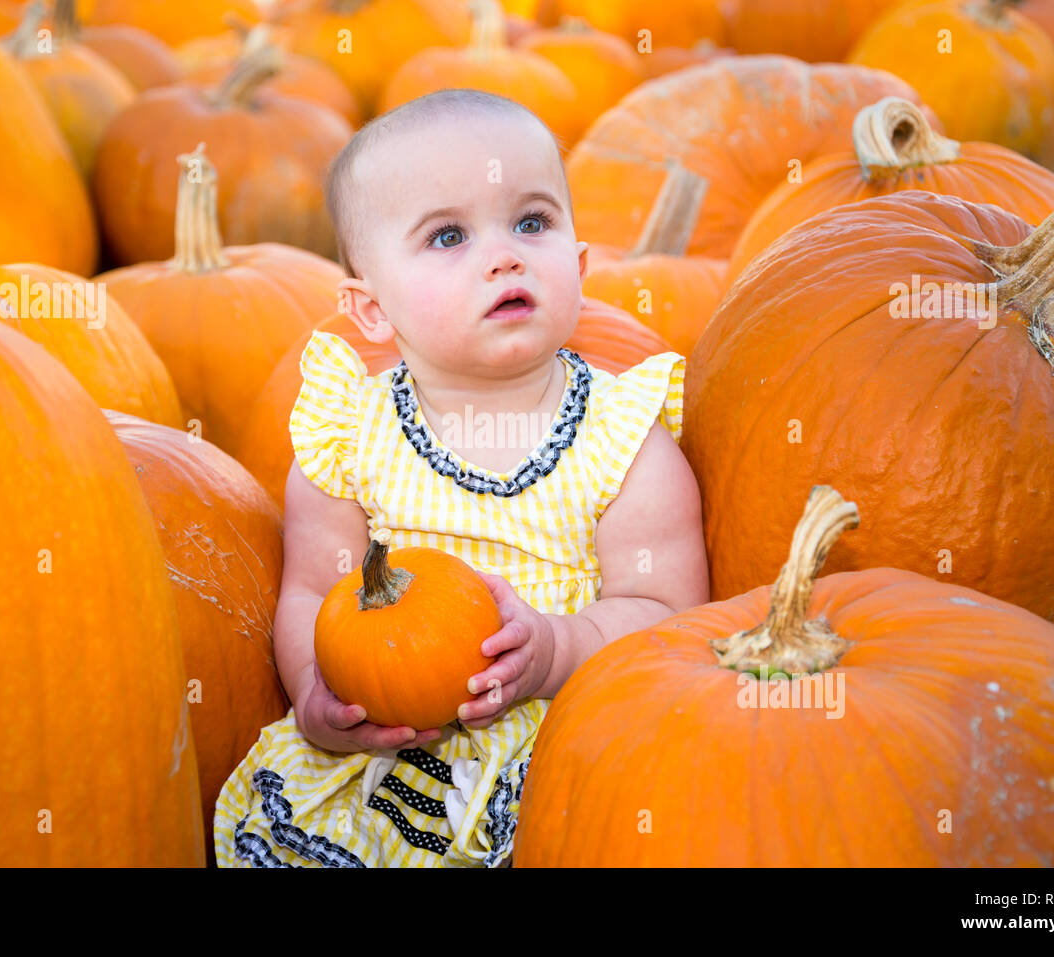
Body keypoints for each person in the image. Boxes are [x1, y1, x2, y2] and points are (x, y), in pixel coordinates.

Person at [215, 88, 708, 867]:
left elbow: (671, 613)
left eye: (532, 222)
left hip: (561, 741)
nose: (505, 254)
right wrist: (317, 695)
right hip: (390, 753)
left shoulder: (623, 440)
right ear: (371, 310)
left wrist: (558, 646)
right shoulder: (348, 436)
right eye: (448, 235)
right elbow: (312, 590)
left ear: (580, 268)